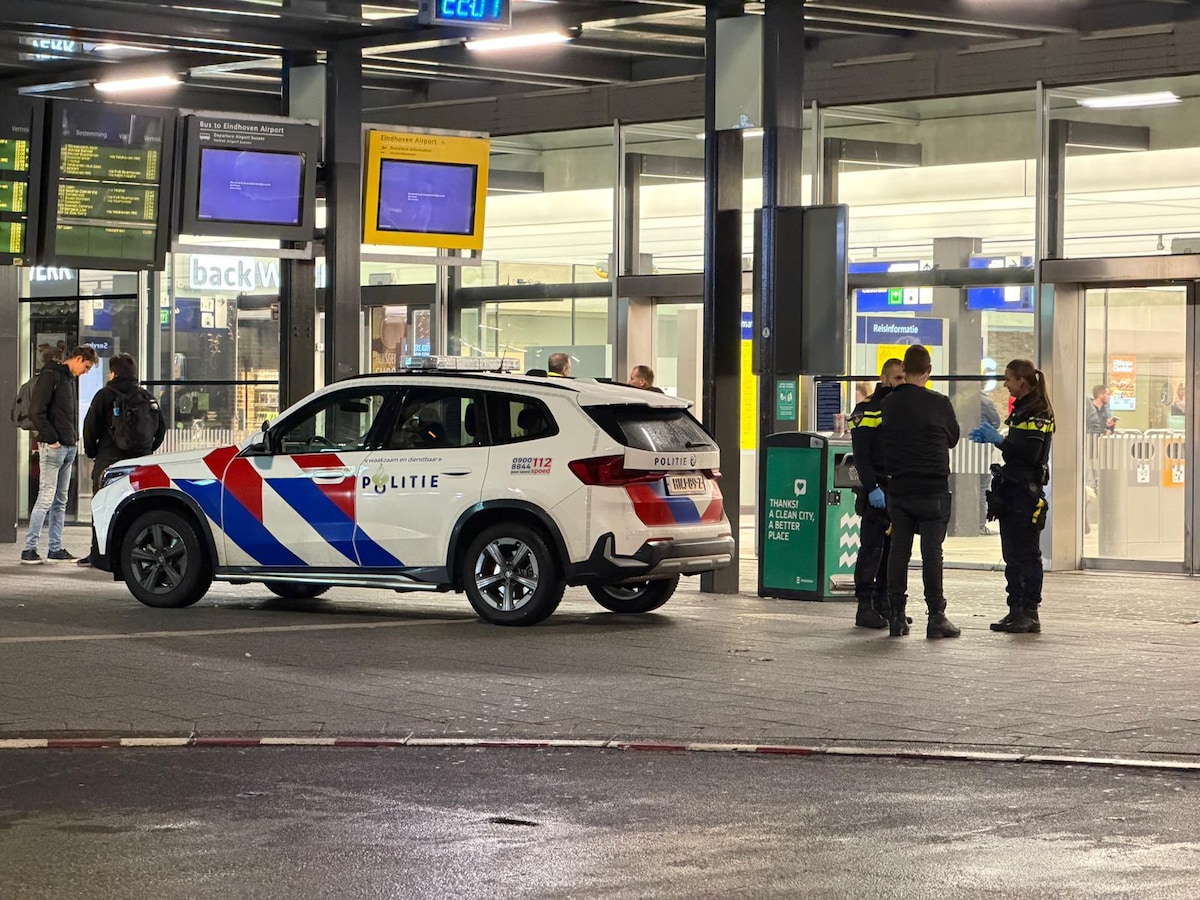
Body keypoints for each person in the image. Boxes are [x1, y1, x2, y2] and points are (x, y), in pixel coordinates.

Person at [879, 345, 961, 639]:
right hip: (932, 488)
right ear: (928, 371)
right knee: (931, 554)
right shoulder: (939, 402)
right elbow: (952, 437)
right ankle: (936, 616)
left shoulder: (889, 403)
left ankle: (897, 617)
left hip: (900, 487)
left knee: (898, 552)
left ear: (905, 368)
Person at [970, 359, 1055, 634]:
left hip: (1026, 492)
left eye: (1008, 379)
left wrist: (1000, 441)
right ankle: (1015, 608)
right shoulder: (1022, 409)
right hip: (1012, 489)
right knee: (1011, 554)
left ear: (1022, 380)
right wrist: (1002, 443)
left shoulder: (1039, 412)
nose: (1005, 384)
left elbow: (1030, 454)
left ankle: (1030, 612)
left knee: (1027, 554)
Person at [77, 353, 167, 568]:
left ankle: (99, 555)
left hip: (109, 459)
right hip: (140, 462)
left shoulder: (104, 395)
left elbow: (90, 428)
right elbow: (160, 428)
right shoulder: (146, 396)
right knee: (137, 506)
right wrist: (147, 450)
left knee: (102, 507)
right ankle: (138, 553)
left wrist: (92, 452)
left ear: (114, 372)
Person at [21, 346, 99, 564]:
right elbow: (37, 411)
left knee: (60, 500)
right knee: (46, 498)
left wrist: (71, 440)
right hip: (54, 447)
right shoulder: (51, 376)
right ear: (78, 358)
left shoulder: (68, 379)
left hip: (68, 446)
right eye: (86, 366)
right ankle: (29, 549)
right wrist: (51, 438)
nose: (86, 371)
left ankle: (55, 548)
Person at [847, 357, 904, 629]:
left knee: (893, 551)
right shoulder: (866, 409)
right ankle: (865, 607)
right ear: (883, 378)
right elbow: (861, 455)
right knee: (872, 549)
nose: (900, 383)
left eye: (903, 378)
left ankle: (885, 604)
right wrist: (871, 488)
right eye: (896, 378)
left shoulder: (903, 407)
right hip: (877, 488)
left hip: (898, 489)